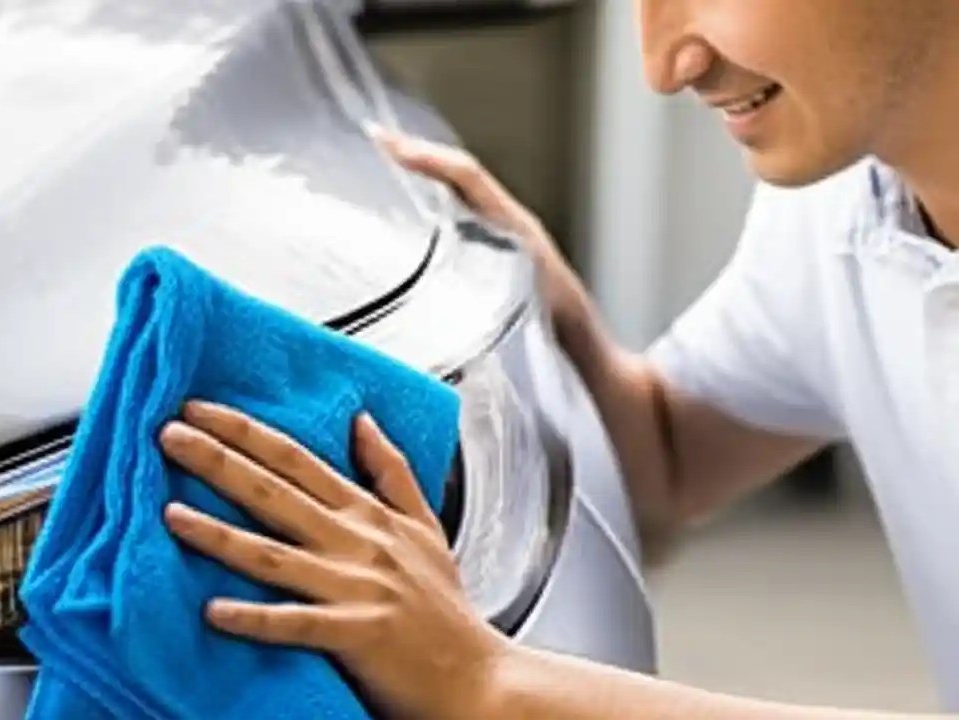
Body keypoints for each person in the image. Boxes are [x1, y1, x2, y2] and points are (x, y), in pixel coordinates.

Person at [156, 0, 959, 717]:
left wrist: (488, 684)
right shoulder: (843, 204)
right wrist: (544, 289)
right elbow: (670, 467)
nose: (665, 65)